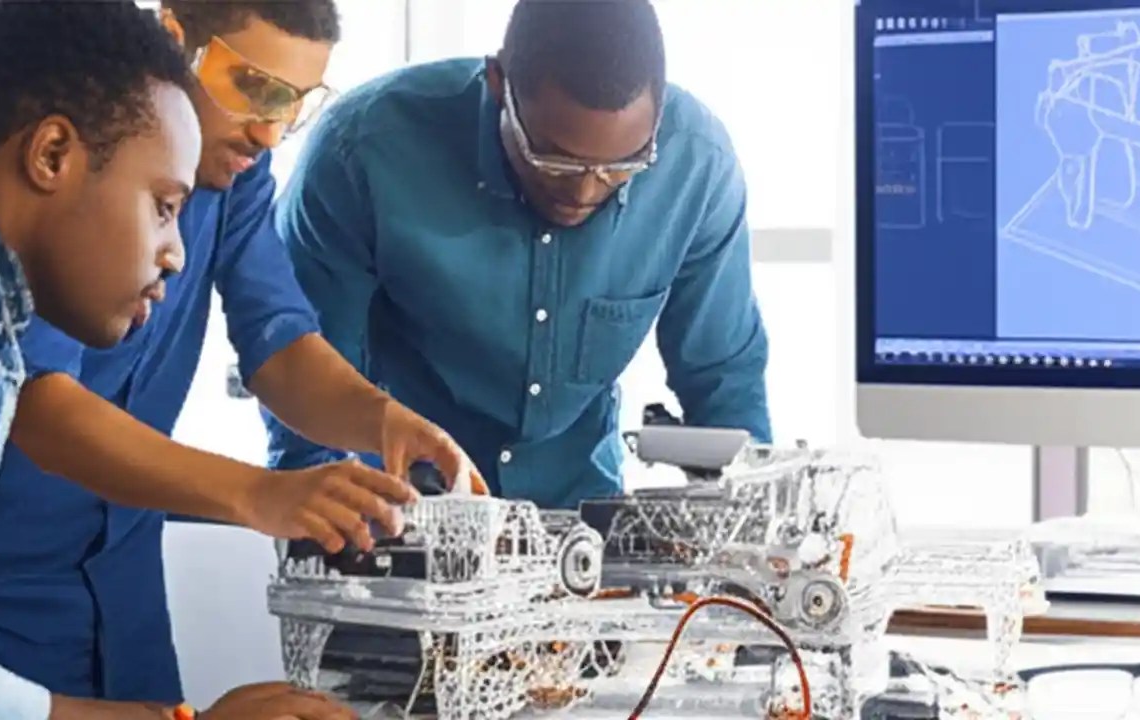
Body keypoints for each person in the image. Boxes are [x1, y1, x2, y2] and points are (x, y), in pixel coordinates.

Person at [0, 0, 481, 708]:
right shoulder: (66, 190)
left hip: (126, 597)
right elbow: (41, 404)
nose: (269, 132)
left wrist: (382, 419)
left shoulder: (237, 176)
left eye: (295, 105)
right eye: (256, 90)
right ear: (175, 38)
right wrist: (260, 494)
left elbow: (278, 340)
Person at [266, 0, 771, 510]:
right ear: (497, 84)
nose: (584, 193)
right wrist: (326, 543)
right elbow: (305, 373)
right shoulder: (360, 154)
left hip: (583, 525)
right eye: (554, 160)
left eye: (621, 168)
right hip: (401, 520)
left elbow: (724, 380)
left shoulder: (697, 167)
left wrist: (756, 531)